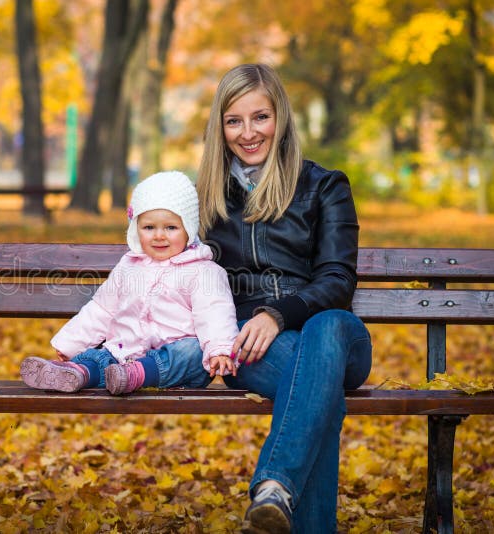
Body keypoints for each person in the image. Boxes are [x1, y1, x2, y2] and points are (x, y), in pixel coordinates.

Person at [196, 63, 373, 533]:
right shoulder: (207, 198)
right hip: (251, 349)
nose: (248, 132)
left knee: (328, 326)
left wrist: (278, 314)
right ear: (221, 127)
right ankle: (278, 495)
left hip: (334, 338)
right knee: (321, 394)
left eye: (260, 117)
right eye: (234, 120)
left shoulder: (324, 186)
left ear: (281, 118)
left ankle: (275, 478)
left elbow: (338, 279)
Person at [20, 171, 241, 396]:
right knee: (102, 356)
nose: (159, 236)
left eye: (171, 227)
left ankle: (134, 374)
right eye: (149, 227)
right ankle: (77, 372)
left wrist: (220, 350)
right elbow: (102, 309)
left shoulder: (203, 271)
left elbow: (215, 313)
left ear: (189, 229)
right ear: (136, 228)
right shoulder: (129, 267)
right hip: (125, 353)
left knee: (191, 351)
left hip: (175, 362)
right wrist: (71, 343)